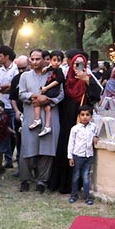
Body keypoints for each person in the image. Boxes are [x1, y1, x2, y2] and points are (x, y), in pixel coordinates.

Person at [47, 51, 101, 194]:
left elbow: (97, 94)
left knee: (80, 150)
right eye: (75, 63)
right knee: (66, 148)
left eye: (81, 64)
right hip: (66, 119)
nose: (77, 66)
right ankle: (61, 184)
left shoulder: (88, 77)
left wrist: (86, 80)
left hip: (81, 119)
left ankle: (76, 185)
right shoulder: (66, 76)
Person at [18, 49, 65, 193]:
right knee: (27, 148)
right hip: (31, 115)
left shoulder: (54, 75)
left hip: (50, 115)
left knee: (47, 150)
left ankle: (42, 181)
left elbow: (61, 94)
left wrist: (48, 99)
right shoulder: (25, 76)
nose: (34, 62)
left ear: (45, 60)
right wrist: (34, 96)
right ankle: (25, 179)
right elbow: (21, 94)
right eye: (32, 59)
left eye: (38, 59)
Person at [67, 105, 98, 205]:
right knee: (76, 176)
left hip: (88, 156)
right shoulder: (75, 129)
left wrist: (96, 137)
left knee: (86, 176)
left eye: (87, 115)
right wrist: (70, 157)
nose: (85, 117)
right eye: (82, 115)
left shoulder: (93, 127)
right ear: (79, 116)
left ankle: (87, 196)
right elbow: (71, 143)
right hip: (77, 156)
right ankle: (73, 195)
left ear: (91, 117)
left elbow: (96, 135)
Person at [29, 51, 64, 137]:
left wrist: (46, 88)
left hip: (52, 92)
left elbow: (58, 81)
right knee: (47, 108)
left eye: (58, 60)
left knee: (38, 101)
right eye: (54, 60)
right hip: (49, 91)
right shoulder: (50, 69)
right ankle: (47, 125)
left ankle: (38, 120)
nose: (56, 62)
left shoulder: (59, 71)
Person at [0, 100, 15, 173]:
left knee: (1, 152)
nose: (0, 108)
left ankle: (0, 166)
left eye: (2, 107)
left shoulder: (5, 117)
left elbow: (7, 127)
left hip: (4, 137)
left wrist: (13, 132)